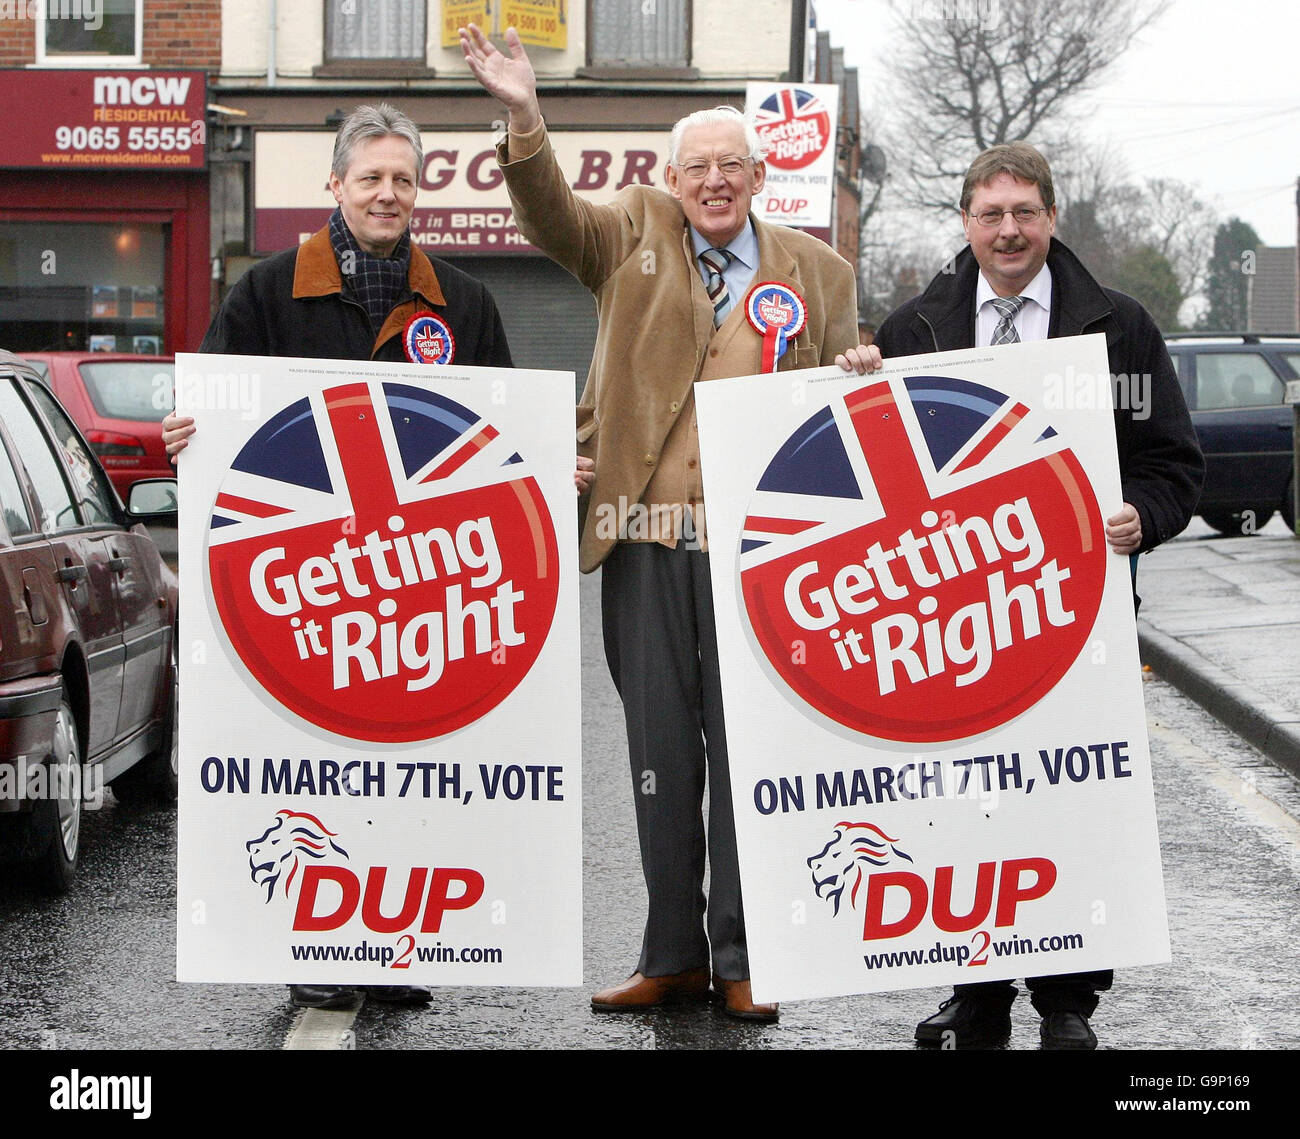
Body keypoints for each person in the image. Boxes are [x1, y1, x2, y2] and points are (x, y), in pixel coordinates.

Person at [461, 24, 881, 1022]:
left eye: (731, 165)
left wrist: (857, 371)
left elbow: (834, 417)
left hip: (761, 560)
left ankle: (739, 957)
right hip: (642, 538)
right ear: (672, 176)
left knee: (747, 759)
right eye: (696, 167)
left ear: (761, 173)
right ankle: (669, 953)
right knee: (660, 755)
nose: (713, 181)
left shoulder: (818, 273)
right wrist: (524, 114)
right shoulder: (629, 233)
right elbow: (550, 213)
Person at [162, 103, 558, 1011]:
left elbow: (498, 433)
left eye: (404, 180)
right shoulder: (265, 292)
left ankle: (389, 938)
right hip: (311, 575)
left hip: (423, 577)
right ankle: (321, 940)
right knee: (315, 753)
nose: (388, 194)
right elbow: (217, 413)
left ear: (421, 192)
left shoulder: (463, 299)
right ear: (334, 186)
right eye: (371, 177)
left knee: (407, 755)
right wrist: (192, 426)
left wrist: (544, 461)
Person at [873, 141, 1204, 1050]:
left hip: (1076, 617)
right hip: (954, 616)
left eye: (1025, 212)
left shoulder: (1121, 326)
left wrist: (1144, 511)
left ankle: (1068, 1000)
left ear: (1051, 217)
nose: (1009, 230)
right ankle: (974, 991)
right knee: (957, 798)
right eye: (992, 214)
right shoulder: (915, 330)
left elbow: (1177, 462)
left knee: (1068, 797)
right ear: (967, 224)